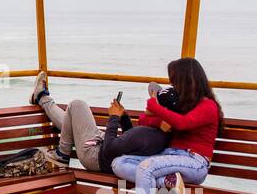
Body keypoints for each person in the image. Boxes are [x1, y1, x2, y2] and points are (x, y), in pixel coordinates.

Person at [112, 57, 222, 194]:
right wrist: (159, 119)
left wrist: (154, 104)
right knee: (118, 163)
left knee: (146, 167)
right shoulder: (181, 104)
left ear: (186, 80)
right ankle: (167, 181)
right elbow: (143, 120)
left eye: (174, 80)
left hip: (194, 162)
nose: (172, 85)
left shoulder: (207, 106)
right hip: (169, 157)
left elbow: (183, 123)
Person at [29, 72, 174, 172]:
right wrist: (123, 117)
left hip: (95, 156)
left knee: (77, 105)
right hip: (102, 150)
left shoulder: (148, 134)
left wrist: (114, 117)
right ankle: (42, 98)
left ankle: (62, 154)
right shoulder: (159, 133)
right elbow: (131, 143)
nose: (148, 102)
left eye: (153, 101)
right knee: (73, 121)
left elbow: (110, 148)